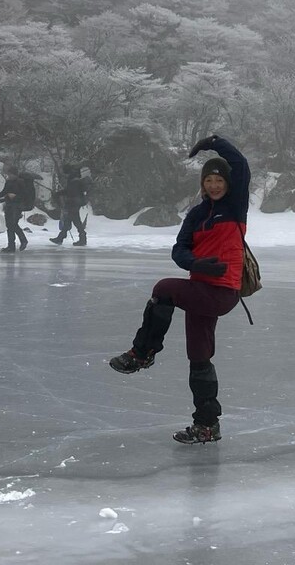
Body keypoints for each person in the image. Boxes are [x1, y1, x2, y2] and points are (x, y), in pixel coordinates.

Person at [108, 133, 248, 444]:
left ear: (227, 183)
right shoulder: (197, 214)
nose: (214, 185)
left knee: (164, 288)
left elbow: (241, 164)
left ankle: (142, 353)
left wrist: (214, 143)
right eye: (208, 180)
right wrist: (196, 265)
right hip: (201, 289)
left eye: (219, 179)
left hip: (222, 291)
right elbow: (179, 249)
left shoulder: (235, 206)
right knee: (199, 357)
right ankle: (207, 425)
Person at [0, 168, 37, 252]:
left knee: (13, 224)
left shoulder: (20, 183)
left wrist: (15, 197)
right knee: (10, 225)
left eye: (11, 174)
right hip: (9, 205)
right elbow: (5, 191)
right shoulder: (8, 182)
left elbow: (25, 195)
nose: (9, 176)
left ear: (15, 174)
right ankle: (12, 245)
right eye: (9, 174)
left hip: (17, 206)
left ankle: (21, 241)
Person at [49, 164, 91, 246]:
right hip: (76, 202)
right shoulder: (75, 178)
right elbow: (70, 191)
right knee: (71, 221)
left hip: (73, 203)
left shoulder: (73, 180)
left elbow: (70, 192)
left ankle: (65, 238)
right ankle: (63, 237)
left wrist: (59, 193)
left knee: (75, 221)